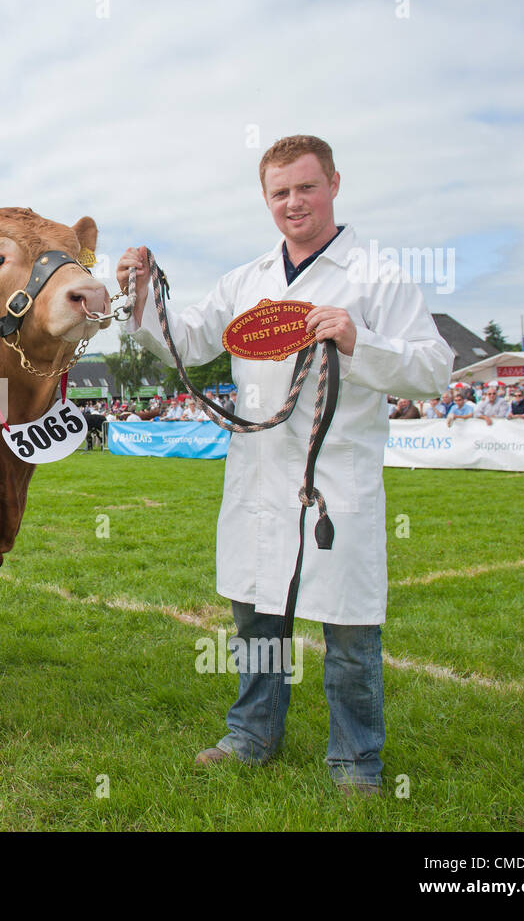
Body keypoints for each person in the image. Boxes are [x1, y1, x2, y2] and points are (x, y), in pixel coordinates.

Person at [116, 135, 452, 796]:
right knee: (256, 620)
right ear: (265, 199)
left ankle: (356, 764)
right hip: (259, 474)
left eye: (305, 187)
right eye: (279, 192)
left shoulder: (378, 276)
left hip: (338, 479)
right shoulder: (246, 281)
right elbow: (182, 341)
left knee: (350, 631)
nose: (293, 202)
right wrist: (142, 291)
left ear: (332, 183)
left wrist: (359, 339)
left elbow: (434, 368)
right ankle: (252, 738)